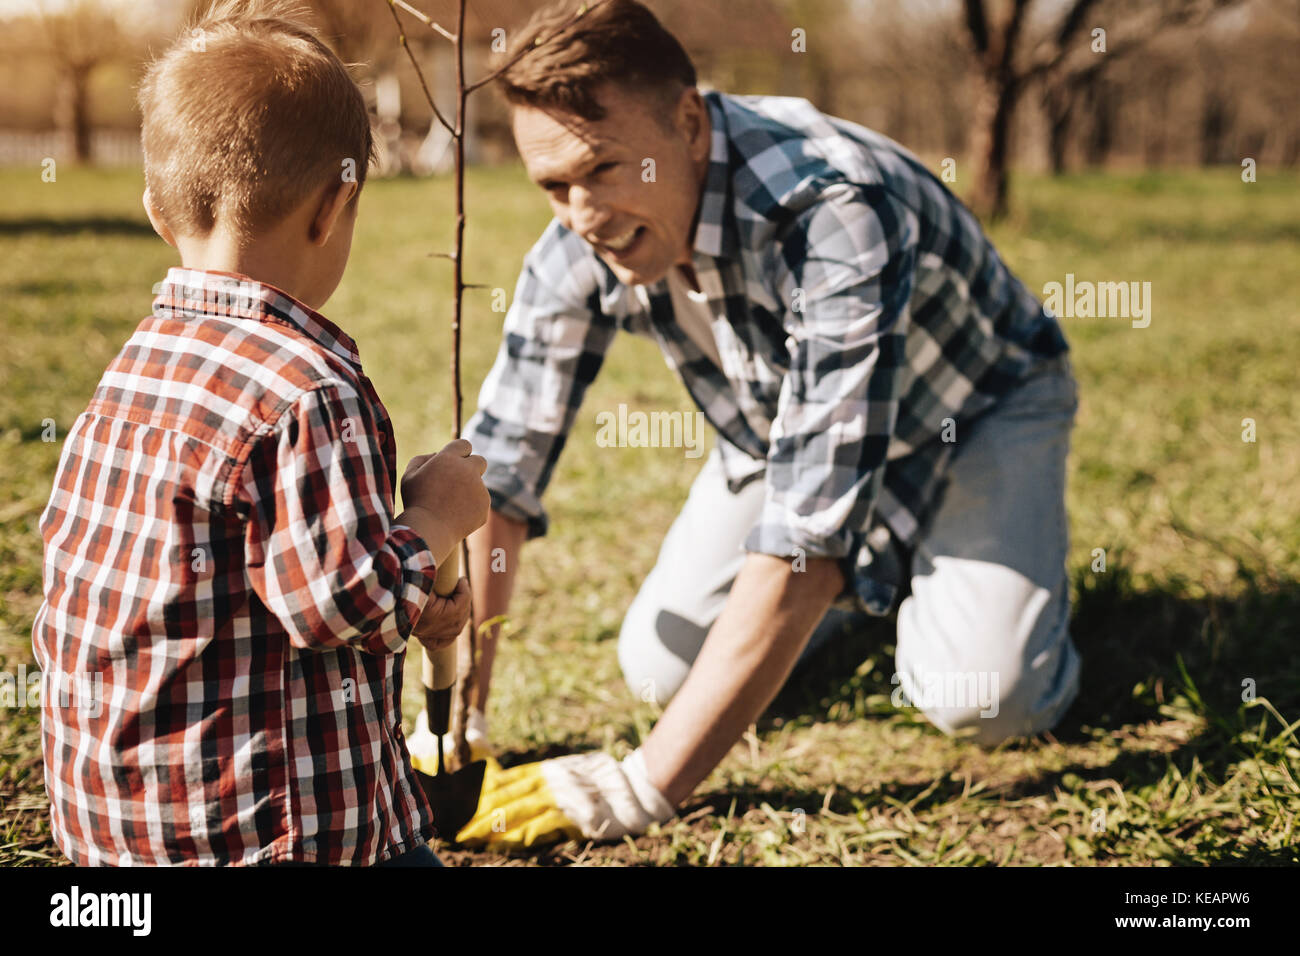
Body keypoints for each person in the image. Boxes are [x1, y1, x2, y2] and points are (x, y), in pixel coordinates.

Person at [435, 0, 1083, 849]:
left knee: (987, 699)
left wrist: (640, 789)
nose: (582, 214)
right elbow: (500, 489)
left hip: (974, 409)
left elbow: (807, 541)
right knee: (661, 671)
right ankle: (885, 584)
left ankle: (970, 576)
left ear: (691, 123)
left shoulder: (835, 207)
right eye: (553, 185)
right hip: (785, 429)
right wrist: (460, 711)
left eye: (603, 168)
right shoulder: (578, 245)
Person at [30, 0, 490, 866]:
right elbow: (346, 605)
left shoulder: (132, 366)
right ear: (336, 204)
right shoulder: (307, 392)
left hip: (112, 830)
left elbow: (256, 584)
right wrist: (437, 519)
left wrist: (413, 600)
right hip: (266, 837)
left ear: (156, 211)